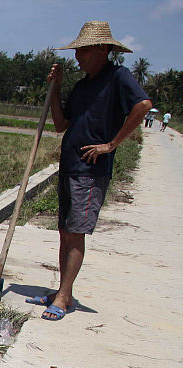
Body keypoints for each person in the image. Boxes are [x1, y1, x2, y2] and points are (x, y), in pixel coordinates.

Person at [33, 21, 151, 321]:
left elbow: (143, 105)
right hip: (70, 165)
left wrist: (111, 144)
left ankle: (63, 297)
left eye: (83, 51)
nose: (77, 57)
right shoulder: (83, 86)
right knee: (65, 232)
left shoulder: (118, 77)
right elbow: (61, 124)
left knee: (75, 233)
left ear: (101, 49)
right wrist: (56, 88)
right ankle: (64, 292)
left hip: (90, 170)